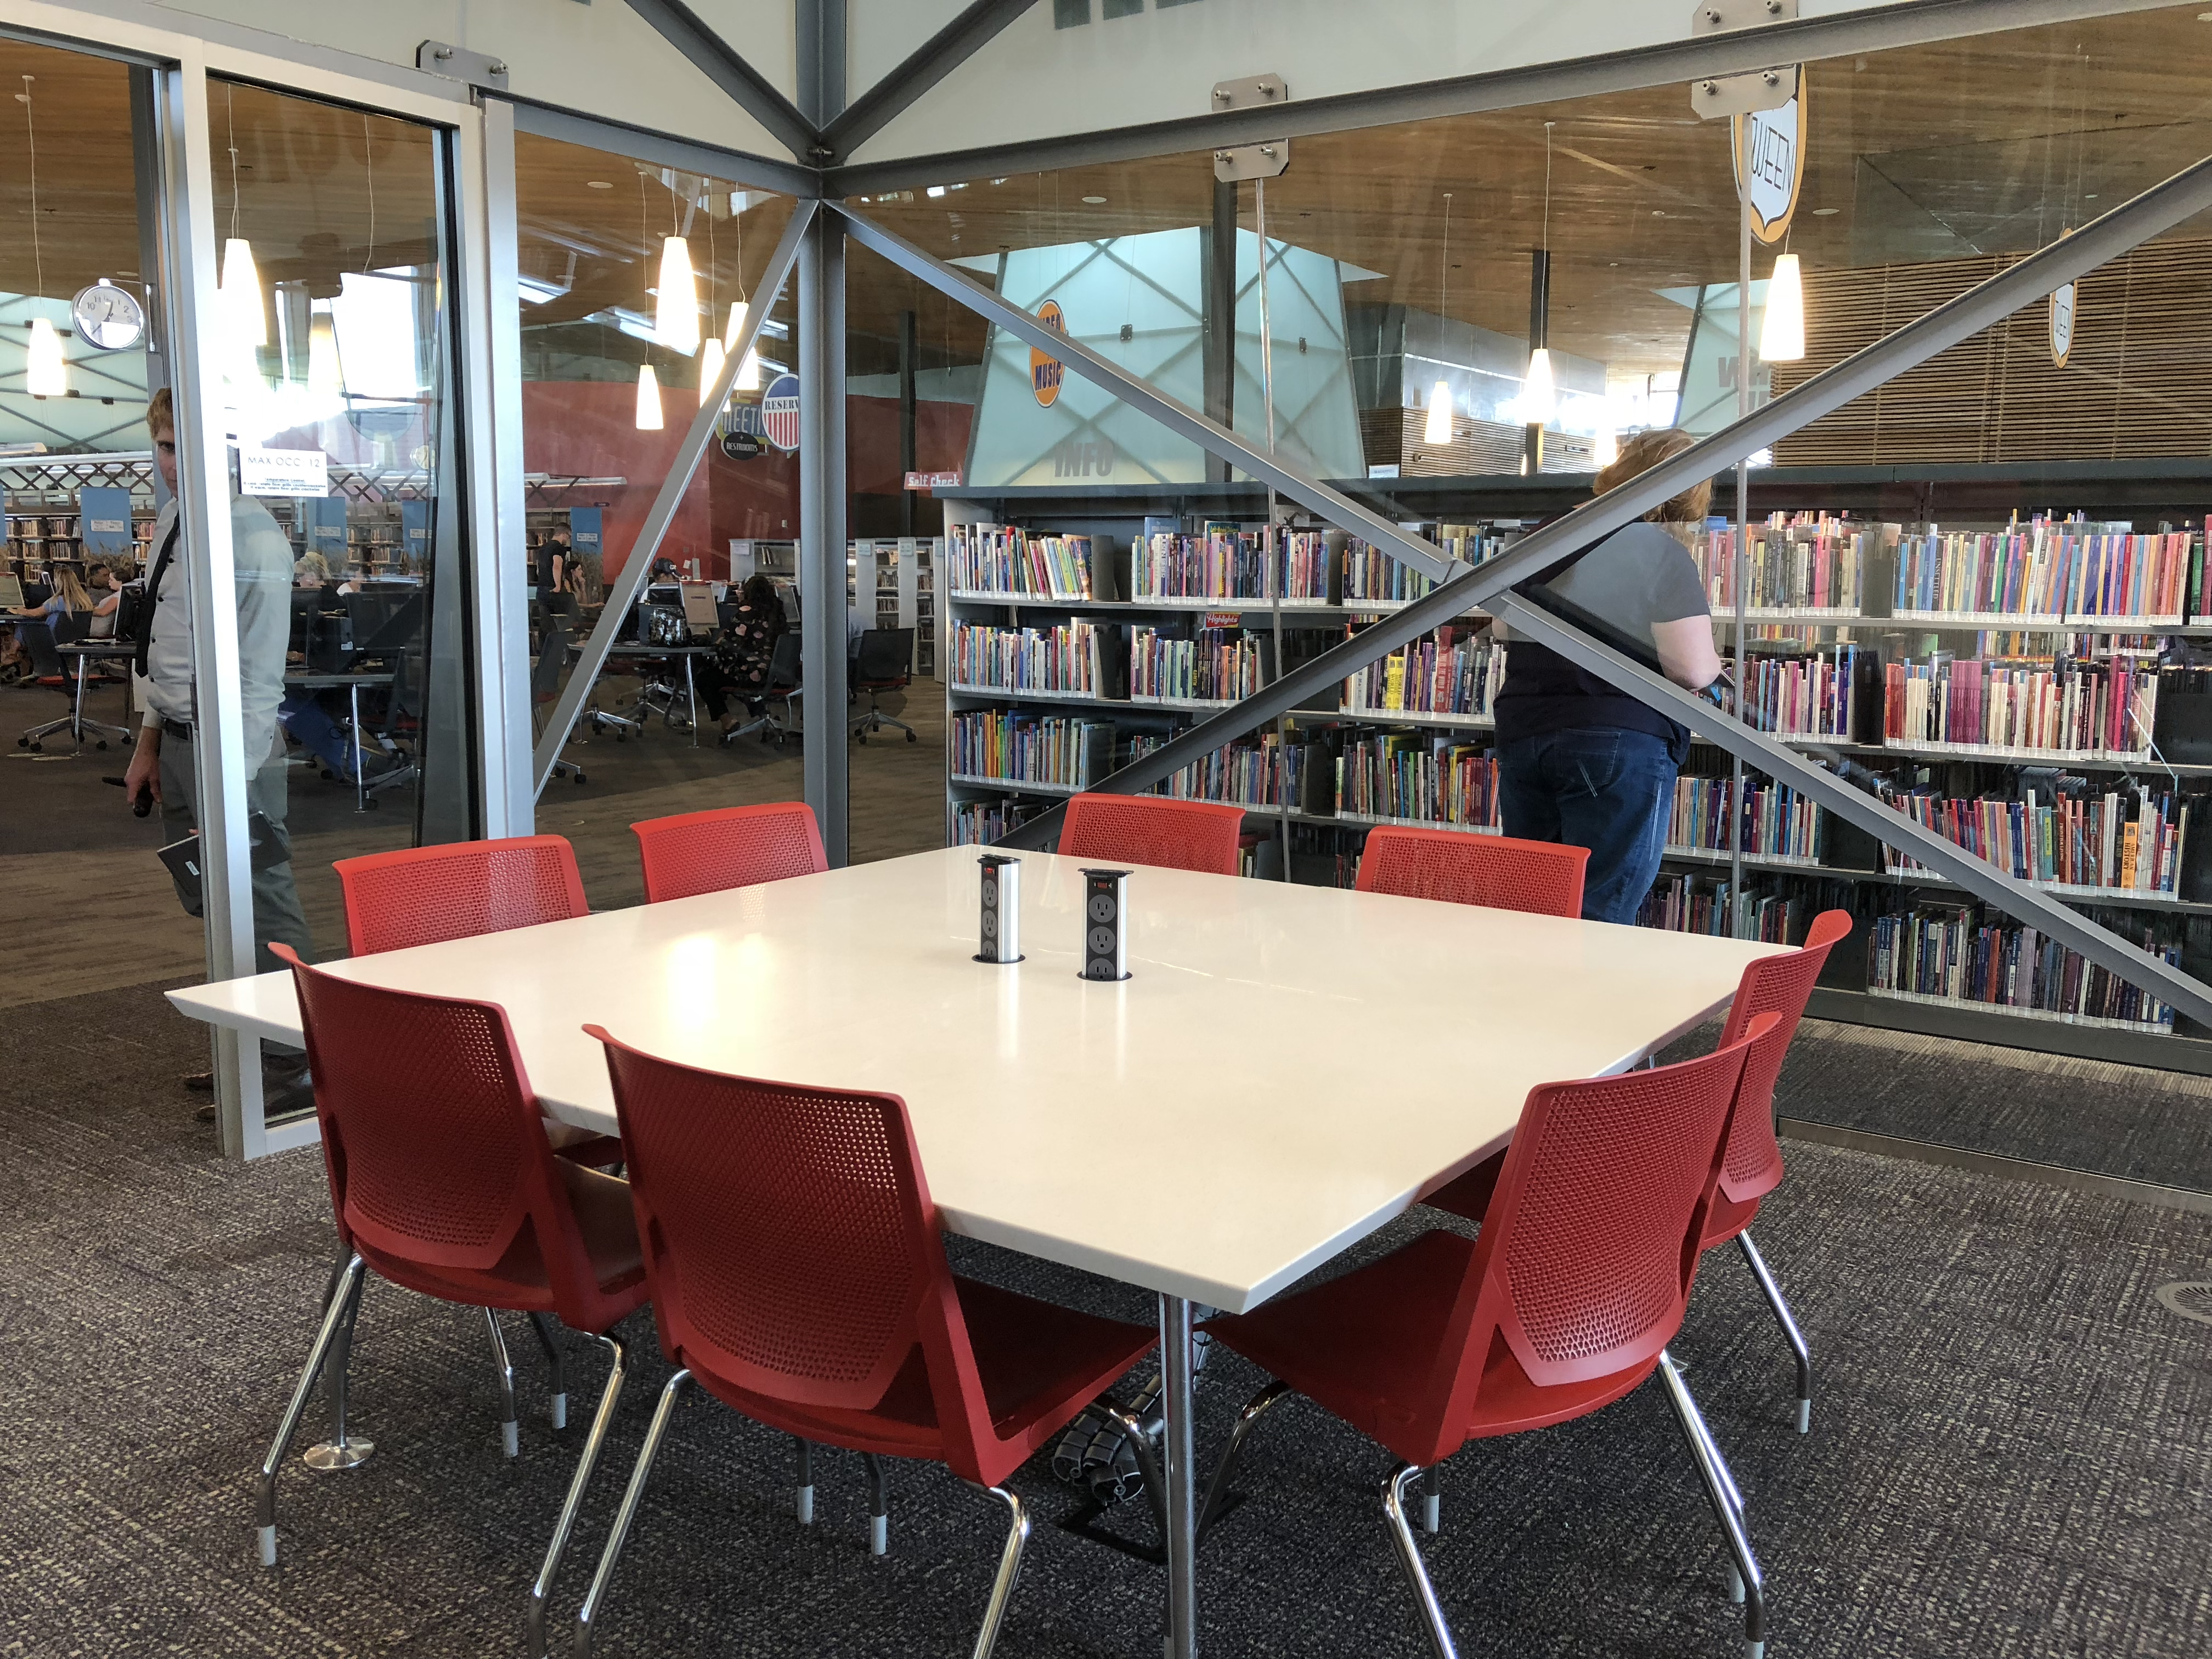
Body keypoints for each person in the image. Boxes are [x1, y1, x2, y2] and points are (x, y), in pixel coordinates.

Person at [121, 388, 314, 1117]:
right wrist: (147, 743)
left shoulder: (252, 536)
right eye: (167, 446)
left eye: (188, 446)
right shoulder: (178, 521)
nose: (174, 463)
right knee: (211, 900)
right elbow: (163, 650)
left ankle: (296, 1061)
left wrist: (228, 784)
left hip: (233, 752)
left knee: (263, 902)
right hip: (178, 739)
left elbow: (259, 676)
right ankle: (251, 1043)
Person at [1491, 427, 1725, 926]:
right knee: (1603, 905)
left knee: (1534, 902)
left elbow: (1500, 623)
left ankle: (1532, 1001)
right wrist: (1717, 665)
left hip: (1525, 730)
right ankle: (1583, 1004)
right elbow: (1692, 668)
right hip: (1618, 735)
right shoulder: (1657, 549)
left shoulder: (1548, 533)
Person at [696, 573, 785, 735]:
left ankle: (728, 721)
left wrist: (717, 641)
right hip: (776, 674)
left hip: (753, 674)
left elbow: (729, 650)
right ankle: (761, 714)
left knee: (705, 678)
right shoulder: (779, 614)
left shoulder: (745, 613)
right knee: (734, 675)